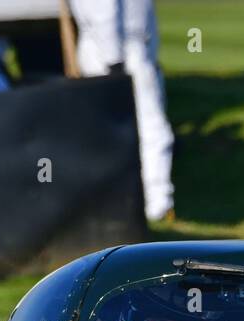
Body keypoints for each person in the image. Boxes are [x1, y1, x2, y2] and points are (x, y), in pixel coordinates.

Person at [70, 0, 176, 222]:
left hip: (123, 47)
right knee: (154, 132)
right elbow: (103, 8)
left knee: (144, 132)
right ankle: (156, 206)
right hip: (121, 51)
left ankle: (144, 206)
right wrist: (114, 62)